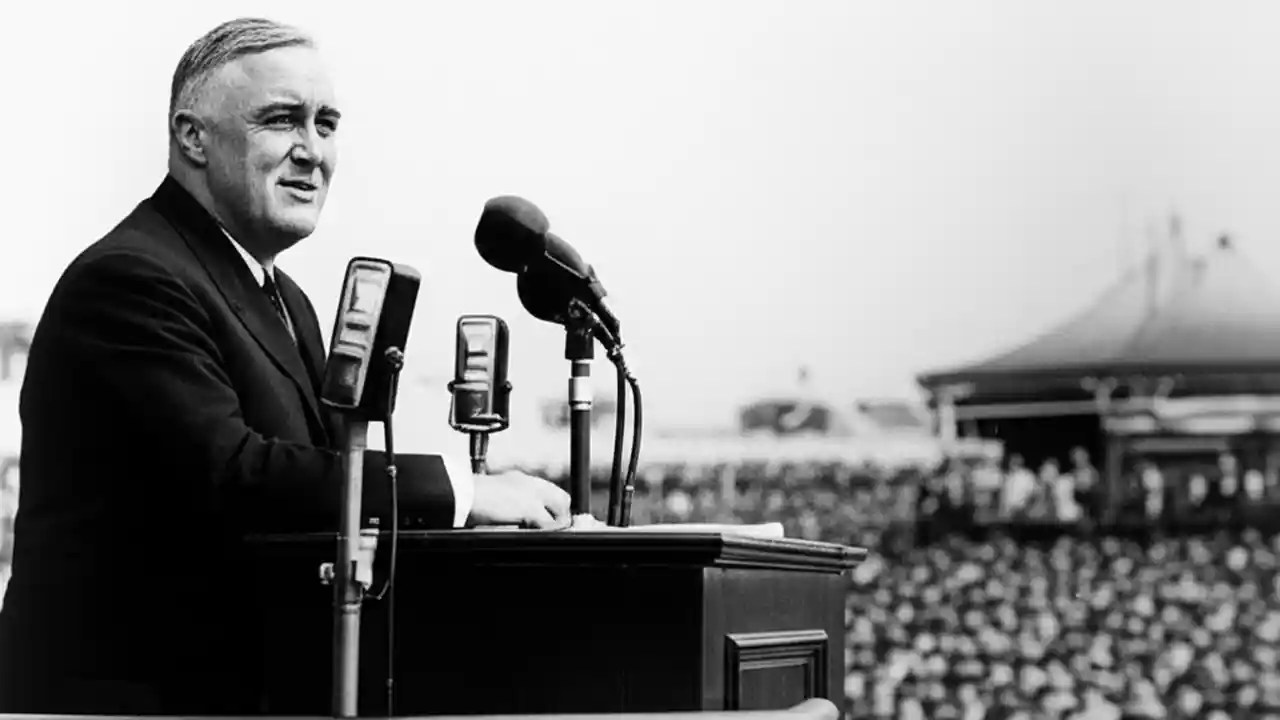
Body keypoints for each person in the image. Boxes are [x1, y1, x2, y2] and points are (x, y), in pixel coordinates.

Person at [0, 17, 570, 715]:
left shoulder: (283, 297)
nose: (312, 151)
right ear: (192, 137)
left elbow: (327, 480)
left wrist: (505, 519)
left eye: (326, 125)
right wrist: (462, 492)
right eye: (282, 121)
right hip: (126, 705)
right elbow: (235, 474)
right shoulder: (130, 280)